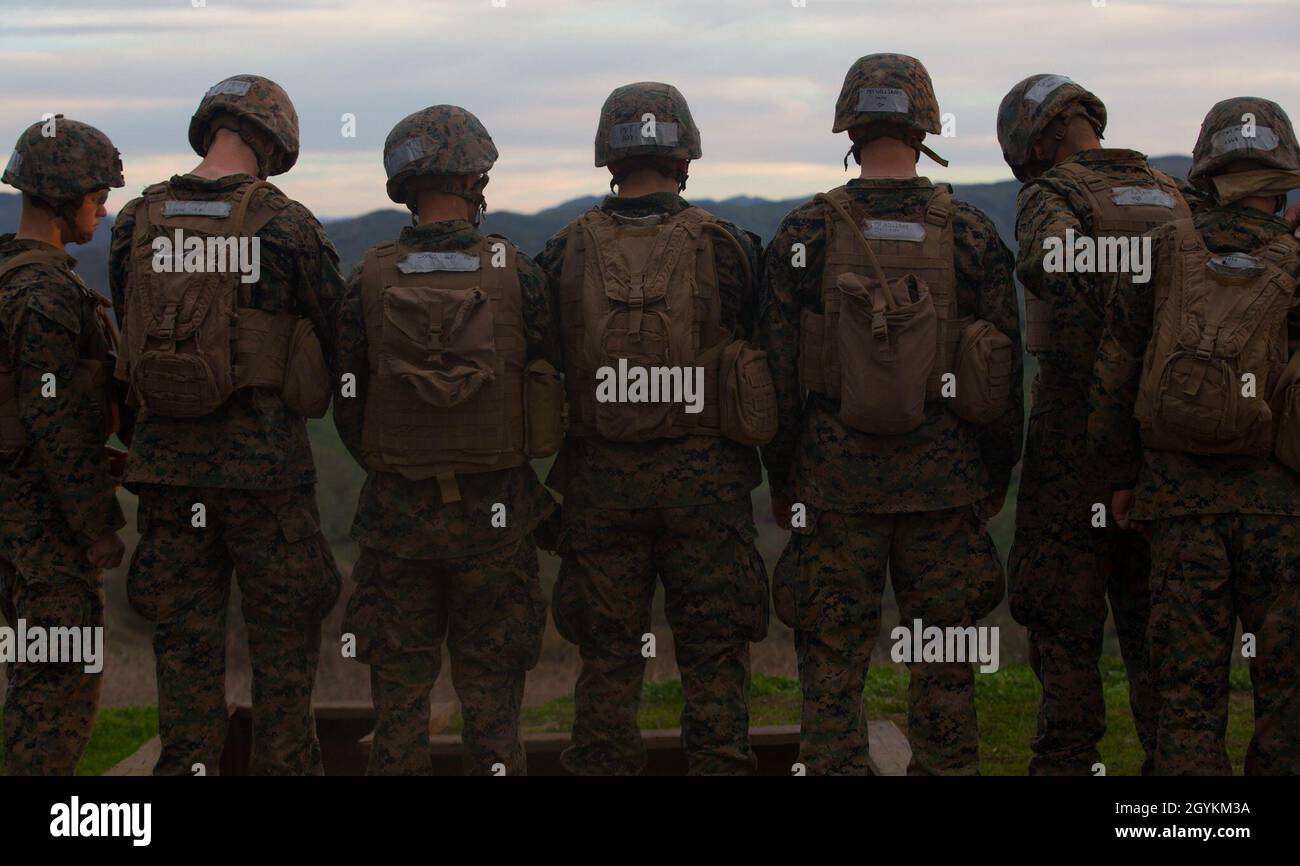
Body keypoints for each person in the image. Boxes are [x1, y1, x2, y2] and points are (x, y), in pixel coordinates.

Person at [760, 54, 1022, 775]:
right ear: (925, 126)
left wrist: (784, 481)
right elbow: (1002, 376)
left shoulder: (802, 233)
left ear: (850, 125)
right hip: (945, 489)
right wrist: (993, 472)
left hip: (833, 486)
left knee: (832, 663)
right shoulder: (971, 233)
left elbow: (778, 378)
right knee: (944, 662)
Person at [535, 81, 772, 775]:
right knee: (716, 652)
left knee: (607, 656)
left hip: (600, 484)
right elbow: (764, 369)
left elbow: (543, 364)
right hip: (707, 485)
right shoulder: (731, 247)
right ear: (686, 157)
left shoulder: (562, 251)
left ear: (610, 158)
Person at [110, 75, 342, 775]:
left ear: (210, 127)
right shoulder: (287, 223)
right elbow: (337, 333)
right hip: (265, 478)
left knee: (182, 646)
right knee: (284, 646)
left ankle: (187, 764)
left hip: (168, 476)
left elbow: (131, 328)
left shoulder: (136, 221)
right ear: (270, 140)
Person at [333, 105, 560, 775]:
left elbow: (349, 402)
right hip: (497, 524)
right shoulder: (517, 273)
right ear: (473, 180)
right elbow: (547, 381)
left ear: (403, 185)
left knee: (397, 715)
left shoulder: (368, 278)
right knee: (495, 719)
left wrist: (398, 459)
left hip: (396, 525)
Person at [1090, 97, 1300, 775]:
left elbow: (1116, 376)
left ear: (1207, 166)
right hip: (1285, 506)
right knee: (1289, 691)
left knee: (1186, 686)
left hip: (1179, 503)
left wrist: (1122, 480)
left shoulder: (1158, 252)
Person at [996, 74, 1192, 775]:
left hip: (1073, 445)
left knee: (1064, 621)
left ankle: (1070, 759)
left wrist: (1105, 344)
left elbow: (1052, 265)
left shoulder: (1053, 195)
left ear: (1038, 141)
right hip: (1165, 445)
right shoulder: (1178, 195)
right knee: (1159, 635)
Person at [0, 116, 126, 774]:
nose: (103, 210)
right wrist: (98, 524)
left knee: (32, 674)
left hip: (12, 516)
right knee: (57, 689)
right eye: (98, 196)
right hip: (42, 524)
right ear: (63, 194)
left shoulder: (7, 279)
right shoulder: (47, 293)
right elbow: (53, 425)